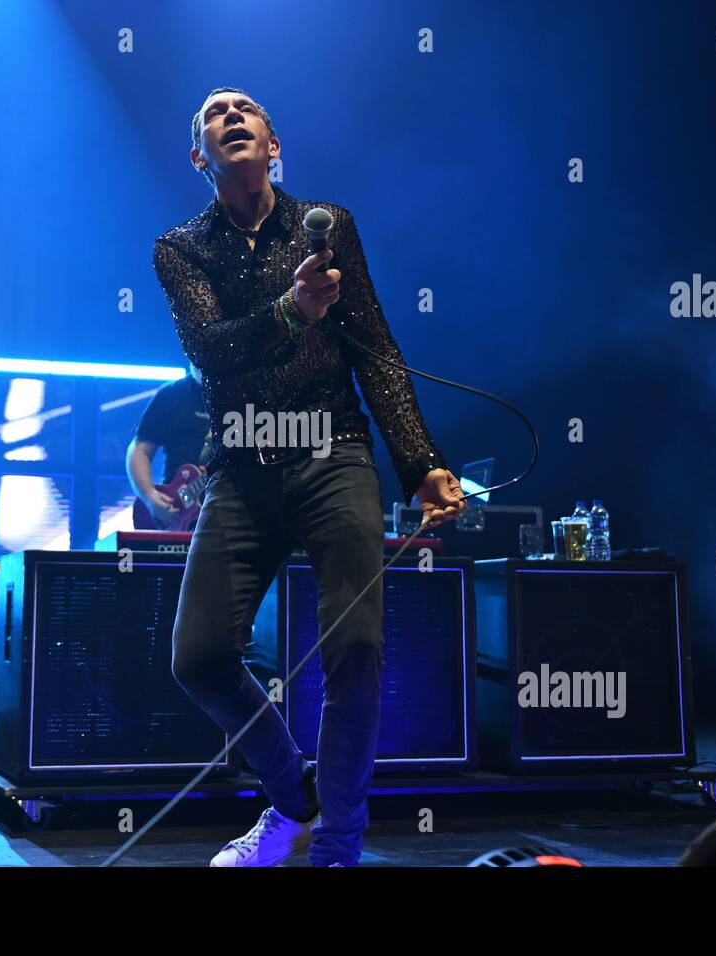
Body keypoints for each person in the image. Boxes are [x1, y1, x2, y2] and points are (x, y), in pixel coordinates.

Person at [152, 87, 464, 867]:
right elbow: (211, 355)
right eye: (213, 115)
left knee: (355, 646)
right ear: (201, 156)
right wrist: (291, 312)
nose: (230, 115)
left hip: (336, 453)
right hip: (245, 466)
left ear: (272, 140)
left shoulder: (327, 226)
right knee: (197, 659)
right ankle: (296, 801)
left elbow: (377, 350)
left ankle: (339, 846)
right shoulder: (181, 248)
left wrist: (420, 464)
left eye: (244, 108)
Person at [125, 362, 211, 528]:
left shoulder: (240, 398)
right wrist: (149, 497)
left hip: (224, 508)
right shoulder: (170, 394)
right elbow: (139, 450)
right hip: (175, 506)